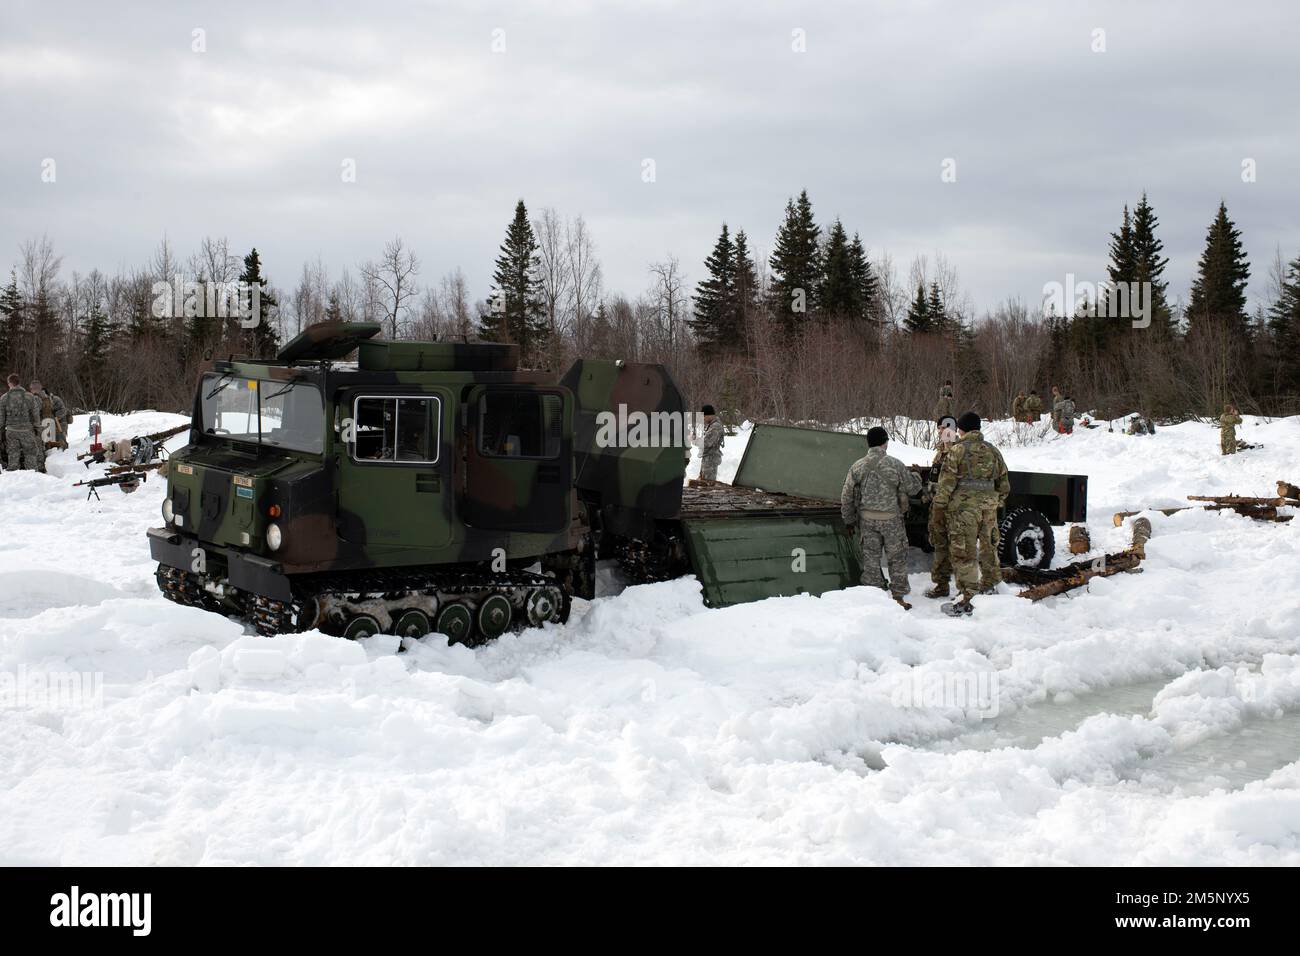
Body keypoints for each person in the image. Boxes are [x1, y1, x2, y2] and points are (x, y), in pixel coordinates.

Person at [930, 411, 1010, 616]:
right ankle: (991, 588)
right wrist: (993, 503)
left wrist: (939, 509)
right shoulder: (994, 451)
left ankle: (967, 597)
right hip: (988, 511)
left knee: (964, 554)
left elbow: (946, 485)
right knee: (989, 550)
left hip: (962, 512)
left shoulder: (957, 451)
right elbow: (1004, 485)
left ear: (962, 429)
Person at [841, 426, 922, 609]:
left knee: (870, 557)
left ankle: (874, 594)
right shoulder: (896, 464)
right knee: (897, 558)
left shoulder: (858, 466)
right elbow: (913, 489)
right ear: (885, 442)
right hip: (892, 520)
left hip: (867, 520)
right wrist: (917, 474)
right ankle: (899, 593)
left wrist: (849, 520)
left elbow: (846, 497)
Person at [925, 416, 959, 599]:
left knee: (958, 548)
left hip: (954, 508)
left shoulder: (960, 450)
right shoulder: (941, 450)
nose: (939, 431)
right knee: (940, 546)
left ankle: (964, 590)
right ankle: (941, 585)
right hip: (938, 506)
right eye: (938, 428)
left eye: (943, 428)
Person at [0, 373, 43, 472]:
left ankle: (14, 478)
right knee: (30, 454)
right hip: (26, 431)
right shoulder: (29, 396)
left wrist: (1, 430)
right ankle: (32, 476)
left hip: (11, 431)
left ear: (10, 383)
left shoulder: (4, 398)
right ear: (19, 382)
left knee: (13, 454)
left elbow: (1, 418)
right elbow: (35, 414)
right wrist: (37, 428)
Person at [29, 379, 69, 451]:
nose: (34, 391)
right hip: (44, 426)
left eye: (35, 389)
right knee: (47, 446)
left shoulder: (53, 399)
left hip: (58, 424)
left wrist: (53, 417)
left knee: (61, 446)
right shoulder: (33, 400)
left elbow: (63, 410)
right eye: (33, 389)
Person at [698, 404, 724, 481]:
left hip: (710, 461)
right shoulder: (711, 425)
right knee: (703, 483)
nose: (703, 419)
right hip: (708, 459)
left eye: (704, 416)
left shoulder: (715, 426)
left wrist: (694, 439)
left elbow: (706, 443)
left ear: (709, 415)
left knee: (708, 484)